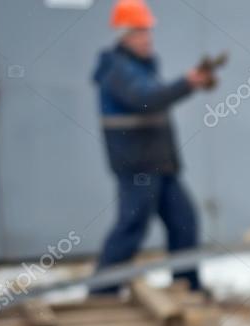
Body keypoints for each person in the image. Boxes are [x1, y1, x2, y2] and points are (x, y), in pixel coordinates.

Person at [91, 0, 214, 293]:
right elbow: (147, 99)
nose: (147, 39)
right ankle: (102, 293)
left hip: (160, 165)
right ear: (124, 35)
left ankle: (187, 287)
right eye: (140, 33)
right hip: (137, 168)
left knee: (184, 222)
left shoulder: (142, 67)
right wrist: (187, 82)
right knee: (130, 230)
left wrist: (190, 83)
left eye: (148, 32)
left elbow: (155, 97)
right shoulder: (118, 70)